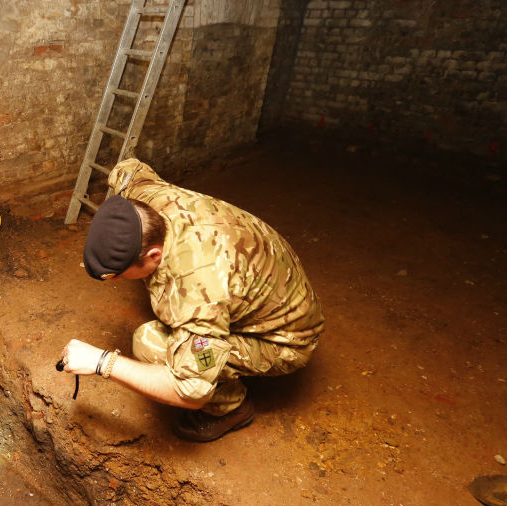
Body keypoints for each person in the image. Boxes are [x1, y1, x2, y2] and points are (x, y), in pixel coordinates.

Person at [60, 158, 325, 442]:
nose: (115, 281)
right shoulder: (146, 197)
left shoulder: (199, 292)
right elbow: (127, 168)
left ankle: (231, 408)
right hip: (265, 278)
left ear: (153, 257)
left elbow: (189, 392)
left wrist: (102, 363)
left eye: (117, 275)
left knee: (149, 342)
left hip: (284, 338)